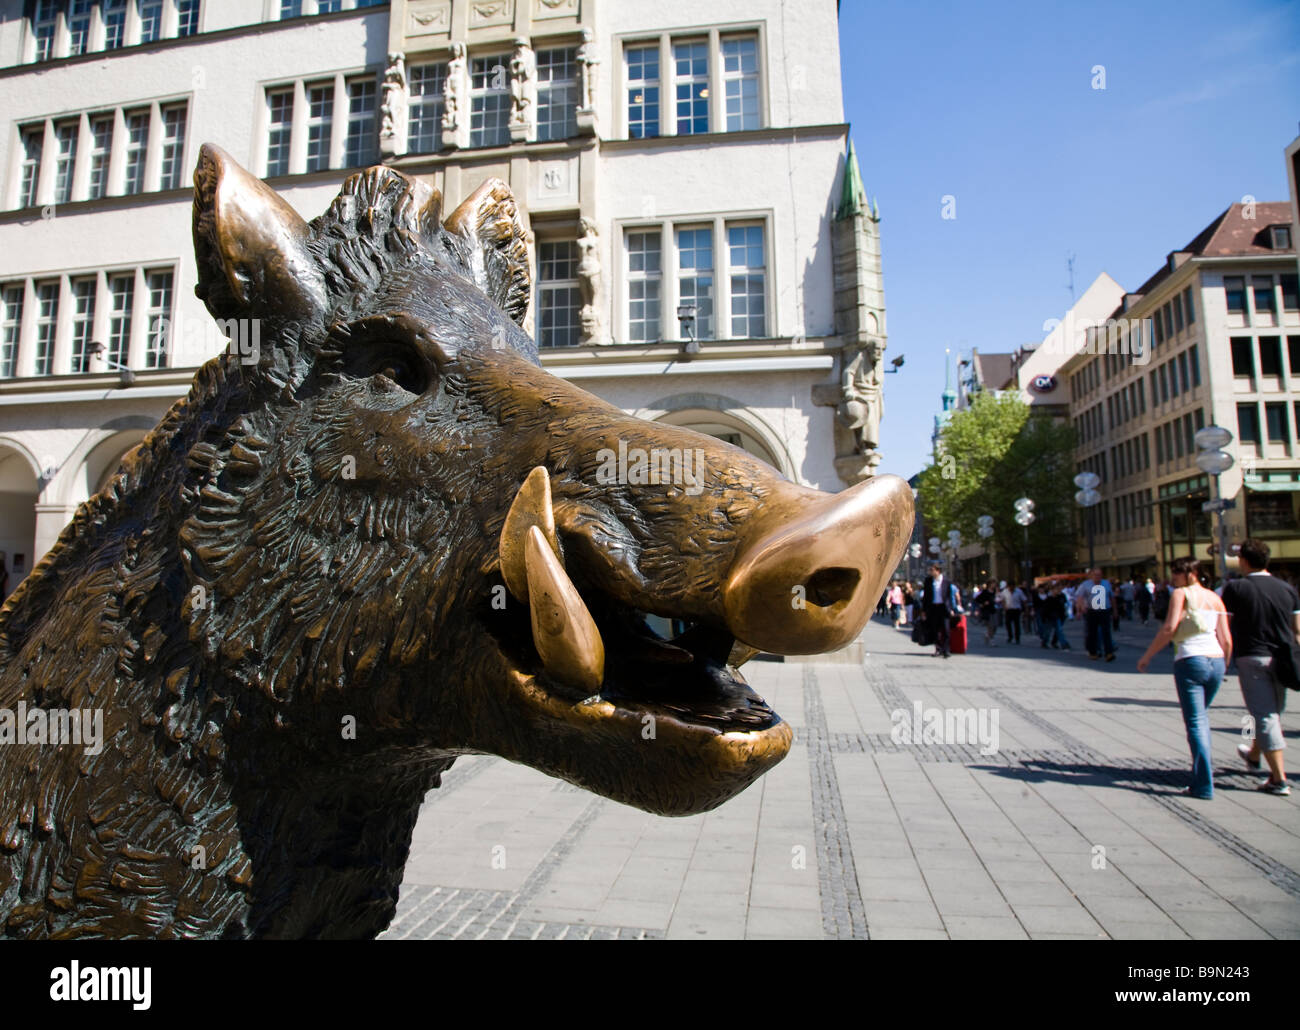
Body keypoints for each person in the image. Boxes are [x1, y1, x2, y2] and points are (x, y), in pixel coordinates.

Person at [1137, 557, 1231, 799]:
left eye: (1177, 572)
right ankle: (1202, 774)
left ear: (1192, 573)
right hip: (1216, 660)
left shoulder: (1181, 595)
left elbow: (1169, 628)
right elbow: (1226, 638)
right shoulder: (1215, 597)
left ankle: (1203, 784)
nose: (1174, 577)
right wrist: (1225, 663)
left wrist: (1147, 656)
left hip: (1191, 659)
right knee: (1202, 718)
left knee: (1196, 722)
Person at [1221, 538, 1297, 797]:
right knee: (1270, 709)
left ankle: (1279, 779)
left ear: (1243, 561)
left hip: (1252, 656)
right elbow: (1297, 629)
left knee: (1265, 714)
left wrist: (1223, 656)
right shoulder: (1287, 589)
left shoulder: (1237, 588)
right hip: (1283, 658)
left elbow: (1225, 628)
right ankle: (1254, 755)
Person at [1077, 568, 1116, 661]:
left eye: (1099, 575)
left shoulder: (1106, 583)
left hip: (1104, 610)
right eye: (1095, 575)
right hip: (1092, 611)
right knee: (1092, 632)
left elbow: (1112, 597)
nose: (1097, 577)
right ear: (1091, 576)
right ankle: (1093, 652)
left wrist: (1115, 611)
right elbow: (1080, 597)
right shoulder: (1085, 585)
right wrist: (1081, 608)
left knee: (1106, 632)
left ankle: (1109, 653)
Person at [922, 562, 959, 658]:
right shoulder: (928, 581)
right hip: (933, 608)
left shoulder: (946, 581)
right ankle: (938, 649)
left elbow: (949, 596)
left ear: (938, 571)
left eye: (932, 570)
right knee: (935, 629)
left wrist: (951, 608)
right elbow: (926, 597)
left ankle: (946, 649)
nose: (930, 572)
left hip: (944, 608)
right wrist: (924, 610)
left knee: (946, 630)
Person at [974, 579, 998, 646]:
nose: (994, 585)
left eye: (995, 584)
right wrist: (983, 603)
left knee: (995, 625)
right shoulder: (985, 592)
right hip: (987, 611)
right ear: (990, 584)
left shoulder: (995, 592)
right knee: (990, 626)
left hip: (994, 609)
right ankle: (992, 640)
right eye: (993, 583)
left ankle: (987, 635)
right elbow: (977, 599)